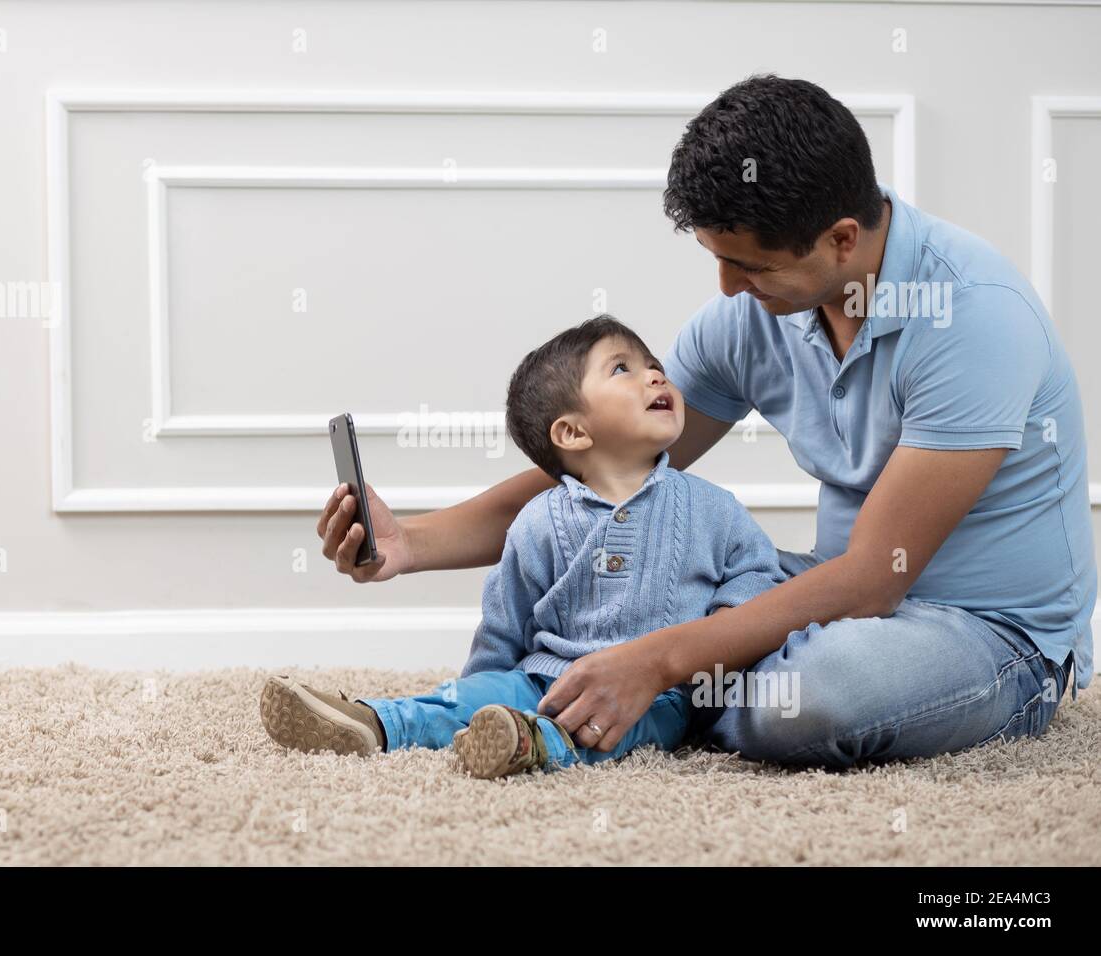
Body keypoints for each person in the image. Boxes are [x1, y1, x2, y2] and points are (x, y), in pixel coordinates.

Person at [315, 75, 1095, 769]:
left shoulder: (973, 318)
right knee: (643, 570)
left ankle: (659, 700)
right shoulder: (759, 312)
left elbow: (874, 575)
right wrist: (408, 544)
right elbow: (601, 475)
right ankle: (639, 701)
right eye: (717, 259)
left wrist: (661, 659)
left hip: (986, 634)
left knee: (811, 699)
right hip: (837, 591)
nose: (726, 288)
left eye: (750, 265)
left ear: (841, 240)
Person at [261, 317, 785, 778]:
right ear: (573, 432)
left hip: (657, 694)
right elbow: (505, 617)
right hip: (544, 678)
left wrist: (716, 631)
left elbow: (756, 572)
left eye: (653, 364)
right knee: (469, 699)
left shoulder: (712, 507)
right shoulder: (538, 520)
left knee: (617, 728)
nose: (655, 374)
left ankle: (530, 743)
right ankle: (372, 721)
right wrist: (478, 692)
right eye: (622, 369)